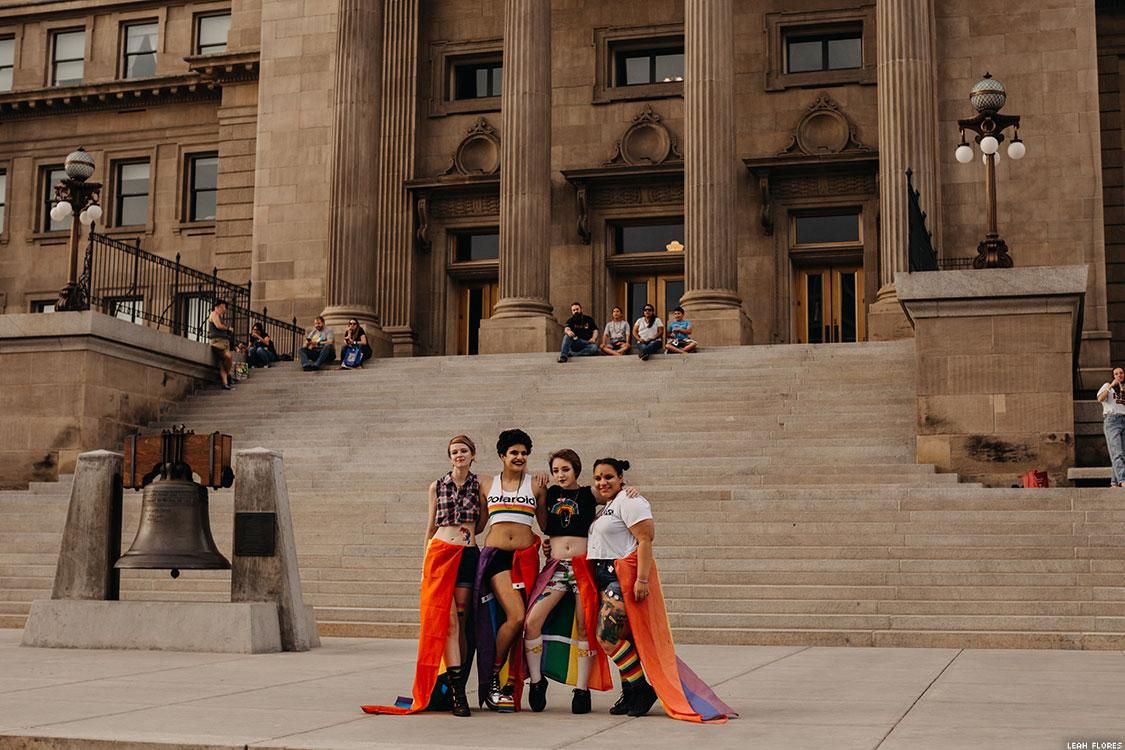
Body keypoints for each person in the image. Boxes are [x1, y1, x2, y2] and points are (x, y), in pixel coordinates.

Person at [587, 457, 736, 723]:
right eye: (598, 478)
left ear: (621, 478)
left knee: (606, 637)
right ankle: (631, 692)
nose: (603, 482)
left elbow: (645, 539)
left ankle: (641, 688)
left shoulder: (631, 501)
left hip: (618, 577)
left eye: (609, 477)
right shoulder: (608, 505)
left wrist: (642, 580)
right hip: (602, 575)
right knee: (624, 638)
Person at [361, 435, 486, 718]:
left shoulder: (481, 484)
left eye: (464, 451)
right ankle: (457, 695)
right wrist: (423, 566)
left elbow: (483, 520)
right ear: (449, 456)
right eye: (454, 451)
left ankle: (458, 681)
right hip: (440, 554)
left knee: (463, 623)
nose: (459, 455)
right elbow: (430, 526)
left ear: (473, 454)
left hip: (467, 554)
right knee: (449, 624)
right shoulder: (436, 485)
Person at [523, 449, 615, 714]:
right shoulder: (550, 494)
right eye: (555, 470)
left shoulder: (589, 494)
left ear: (576, 469)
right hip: (556, 569)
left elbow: (612, 491)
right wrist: (539, 481)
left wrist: (630, 490)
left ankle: (581, 689)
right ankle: (537, 683)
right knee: (532, 622)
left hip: (583, 568)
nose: (560, 475)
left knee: (584, 627)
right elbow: (542, 522)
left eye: (565, 469)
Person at [475, 428, 547, 711]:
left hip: (525, 559)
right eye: (514, 453)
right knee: (515, 617)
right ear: (502, 455)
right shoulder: (485, 484)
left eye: (524, 453)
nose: (519, 457)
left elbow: (546, 525)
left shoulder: (537, 485)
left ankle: (514, 681)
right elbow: (479, 525)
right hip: (496, 558)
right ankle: (493, 675)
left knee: (526, 622)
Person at [1098, 367, 1125, 487]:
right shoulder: (1107, 385)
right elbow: (1100, 399)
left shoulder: (1124, 388)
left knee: (1122, 453)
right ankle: (1123, 480)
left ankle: (1114, 482)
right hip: (1112, 421)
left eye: (1121, 373)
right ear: (1113, 376)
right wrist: (1110, 386)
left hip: (1123, 419)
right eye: (1116, 373)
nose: (1119, 375)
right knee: (1117, 452)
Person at [206, 299, 236, 390]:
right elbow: (218, 325)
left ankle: (225, 383)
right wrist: (228, 328)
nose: (224, 310)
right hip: (217, 343)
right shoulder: (214, 314)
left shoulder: (219, 316)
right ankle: (229, 374)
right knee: (228, 356)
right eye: (223, 307)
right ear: (218, 307)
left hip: (223, 342)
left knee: (223, 363)